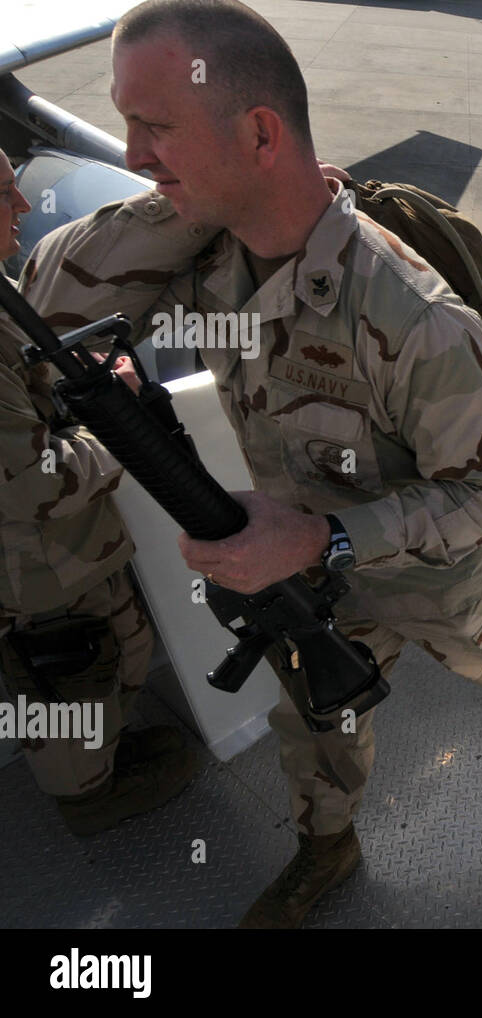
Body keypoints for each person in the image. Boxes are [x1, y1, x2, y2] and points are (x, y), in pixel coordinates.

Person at [23, 0, 482, 928]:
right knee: (314, 719)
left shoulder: (414, 317)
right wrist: (207, 196)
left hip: (441, 579)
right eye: (127, 125)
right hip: (308, 579)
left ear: (260, 132)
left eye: (155, 126)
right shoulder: (210, 263)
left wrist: (324, 535)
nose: (132, 155)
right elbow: (47, 302)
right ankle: (326, 847)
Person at [0, 148, 197, 836]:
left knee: (118, 647)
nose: (25, 206)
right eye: (3, 194)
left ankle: (102, 754)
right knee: (70, 675)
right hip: (40, 565)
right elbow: (34, 484)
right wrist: (118, 421)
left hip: (66, 551)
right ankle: (86, 798)